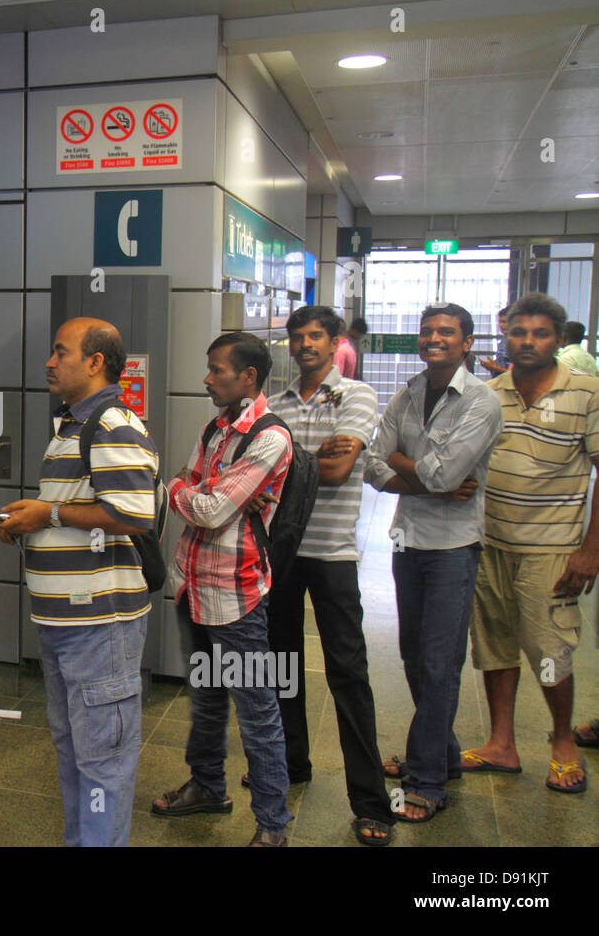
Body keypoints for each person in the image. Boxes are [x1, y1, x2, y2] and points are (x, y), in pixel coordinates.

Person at [0, 317, 157, 846]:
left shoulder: (113, 423)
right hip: (65, 621)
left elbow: (134, 514)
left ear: (94, 362)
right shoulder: (71, 424)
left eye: (60, 352)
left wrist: (50, 515)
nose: (49, 361)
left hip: (99, 623)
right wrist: (30, 523)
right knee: (76, 753)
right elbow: (76, 508)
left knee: (102, 761)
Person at [150, 332, 294, 847]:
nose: (207, 379)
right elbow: (180, 484)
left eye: (217, 370)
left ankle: (273, 826)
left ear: (248, 376)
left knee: (257, 710)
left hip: (238, 597)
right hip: (193, 584)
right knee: (207, 700)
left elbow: (205, 506)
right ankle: (208, 786)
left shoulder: (270, 436)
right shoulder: (216, 429)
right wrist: (200, 492)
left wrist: (197, 493)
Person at [365, 303, 503, 823]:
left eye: (446, 332)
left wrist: (411, 468)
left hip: (453, 548)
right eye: (427, 331)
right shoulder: (407, 394)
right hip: (409, 540)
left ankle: (427, 780)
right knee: (414, 657)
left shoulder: (482, 402)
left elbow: (448, 478)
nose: (433, 338)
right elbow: (374, 466)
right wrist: (417, 472)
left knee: (440, 664)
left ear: (467, 342)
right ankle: (442, 754)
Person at [267, 307, 395, 846]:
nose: (304, 345)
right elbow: (268, 474)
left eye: (315, 336)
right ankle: (292, 762)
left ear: (334, 342)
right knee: (283, 665)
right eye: (297, 337)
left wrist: (287, 460)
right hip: (281, 552)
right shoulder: (273, 404)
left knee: (347, 672)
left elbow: (342, 471)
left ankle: (370, 801)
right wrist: (314, 455)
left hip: (333, 552)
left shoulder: (358, 396)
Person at [461, 294, 598, 793]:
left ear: (559, 339)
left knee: (547, 649)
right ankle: (501, 743)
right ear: (506, 335)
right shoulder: (489, 393)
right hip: (489, 542)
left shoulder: (587, 392)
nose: (527, 341)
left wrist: (590, 549)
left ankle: (562, 741)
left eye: (540, 333)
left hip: (552, 549)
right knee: (493, 646)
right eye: (518, 332)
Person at [478, 306, 511, 376]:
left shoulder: (516, 344)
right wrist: (492, 366)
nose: (501, 325)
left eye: (504, 322)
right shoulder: (503, 341)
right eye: (500, 321)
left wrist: (494, 367)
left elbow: (515, 374)